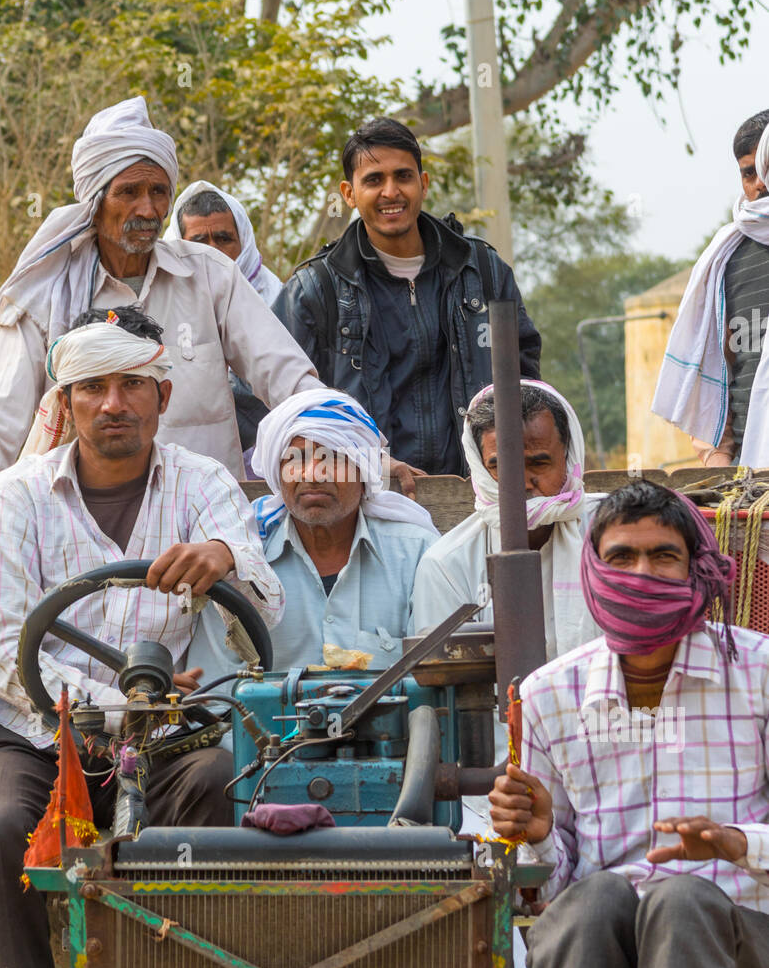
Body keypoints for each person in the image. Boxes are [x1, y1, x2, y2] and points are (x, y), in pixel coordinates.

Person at [0, 309, 285, 968]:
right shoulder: (14, 498)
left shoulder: (203, 484)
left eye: (133, 384)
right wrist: (123, 705)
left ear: (162, 396)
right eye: (93, 386)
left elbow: (261, 614)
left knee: (219, 781)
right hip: (39, 736)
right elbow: (0, 653)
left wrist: (225, 560)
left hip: (165, 742)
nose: (114, 403)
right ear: (65, 401)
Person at [0, 96, 321, 553]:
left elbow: (287, 375)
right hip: (77, 532)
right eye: (128, 193)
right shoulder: (47, 292)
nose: (147, 209)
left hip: (204, 528)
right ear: (95, 199)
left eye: (159, 192)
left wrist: (348, 440)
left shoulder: (208, 275)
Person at [489, 479, 769, 968]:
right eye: (622, 558)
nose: (642, 574)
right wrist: (536, 835)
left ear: (695, 569)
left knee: (683, 898)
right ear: (593, 570)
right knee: (594, 899)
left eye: (663, 557)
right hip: (606, 966)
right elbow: (547, 880)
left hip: (745, 958)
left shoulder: (761, 673)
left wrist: (735, 843)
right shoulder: (546, 695)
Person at [271, 117, 541, 476]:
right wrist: (365, 462)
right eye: (373, 180)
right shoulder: (315, 289)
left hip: (477, 494)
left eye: (403, 176)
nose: (391, 192)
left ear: (423, 183)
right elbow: (276, 393)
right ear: (348, 194)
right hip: (366, 500)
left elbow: (527, 383)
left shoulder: (482, 270)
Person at [188, 388, 439, 686]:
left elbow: (434, 686)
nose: (313, 474)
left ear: (363, 471)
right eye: (296, 459)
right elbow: (216, 697)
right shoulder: (243, 564)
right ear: (278, 473)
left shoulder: (417, 555)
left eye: (333, 458)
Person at [413, 380, 600, 658]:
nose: (522, 483)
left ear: (569, 458)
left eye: (539, 463)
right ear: (479, 466)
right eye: (500, 466)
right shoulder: (447, 565)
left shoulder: (614, 532)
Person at [653, 110, 769, 467]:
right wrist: (719, 468)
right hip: (752, 472)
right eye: (749, 173)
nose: (760, 184)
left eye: (767, 168)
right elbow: (719, 370)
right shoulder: (725, 258)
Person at [164, 180, 282, 305]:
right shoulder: (160, 300)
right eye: (199, 243)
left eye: (224, 239)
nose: (213, 251)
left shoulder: (279, 301)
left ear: (244, 244)